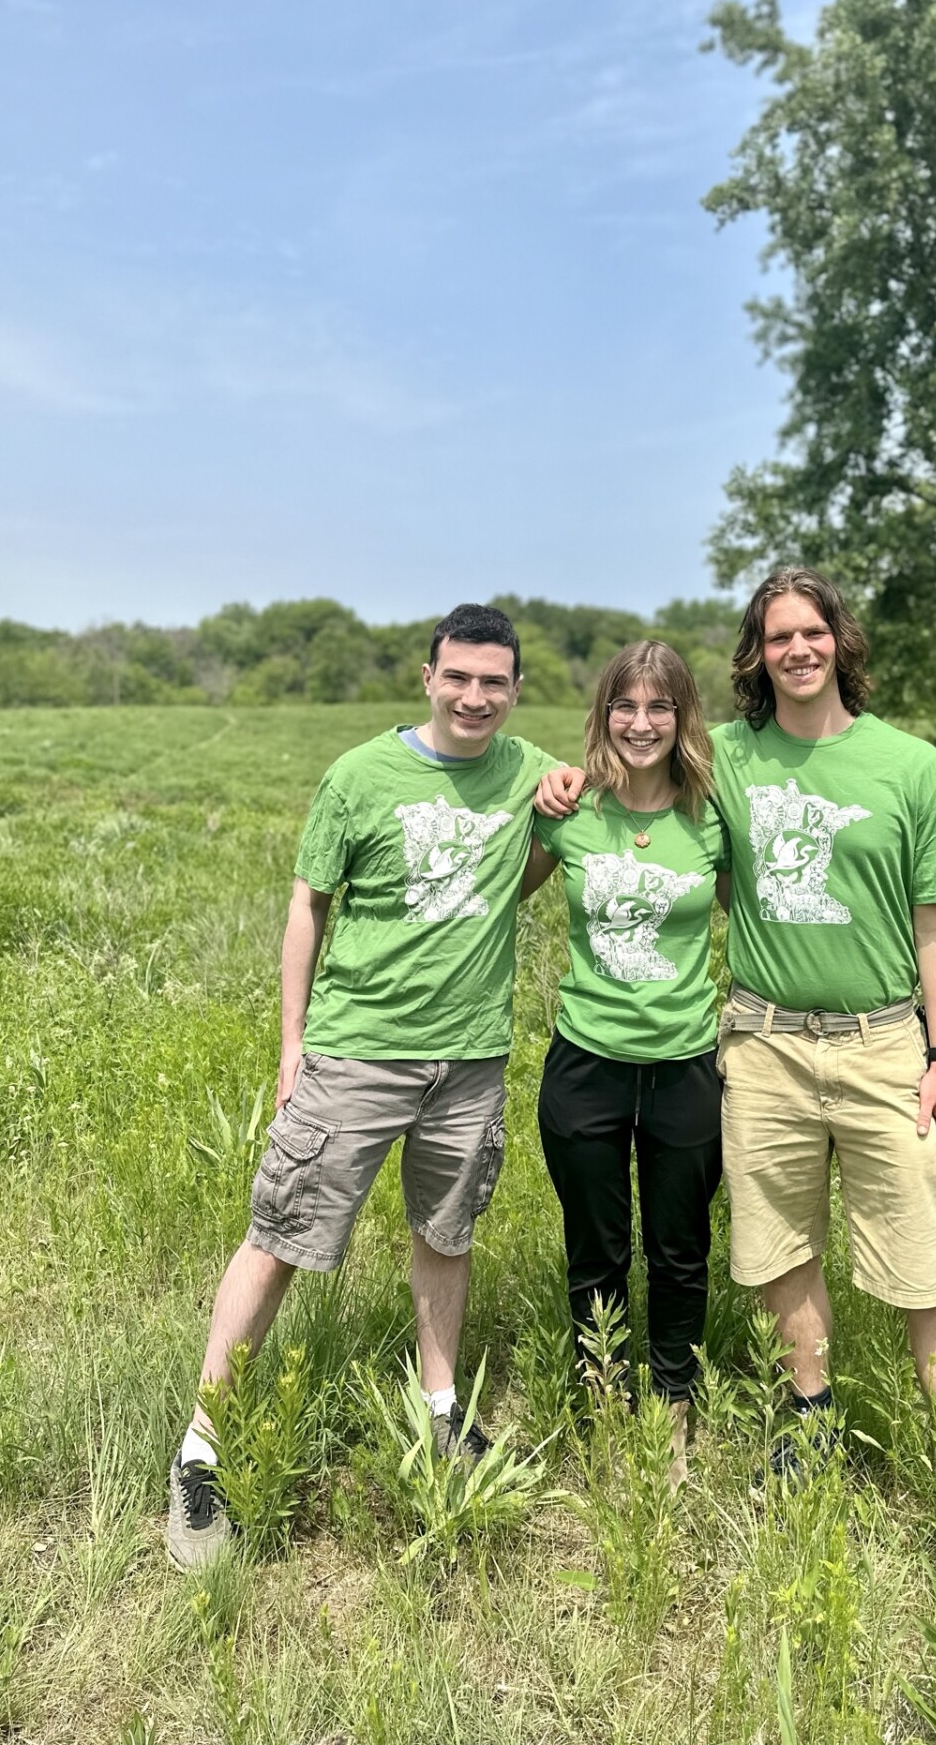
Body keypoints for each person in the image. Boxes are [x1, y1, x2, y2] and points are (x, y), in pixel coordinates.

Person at [536, 569, 936, 1465]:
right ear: (757, 653)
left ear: (840, 641)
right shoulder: (724, 760)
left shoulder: (912, 766)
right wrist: (563, 778)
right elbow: (638, 759)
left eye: (812, 632)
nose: (798, 650)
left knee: (926, 1265)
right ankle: (809, 1419)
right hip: (764, 1041)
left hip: (882, 1044)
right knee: (781, 1247)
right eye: (779, 636)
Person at [167, 603, 562, 1570]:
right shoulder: (358, 775)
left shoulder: (531, 772)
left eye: (494, 682)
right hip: (357, 1053)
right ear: (428, 678)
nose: (475, 697)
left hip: (469, 1058)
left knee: (446, 1233)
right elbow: (308, 905)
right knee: (281, 1236)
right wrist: (293, 1043)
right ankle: (201, 1448)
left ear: (516, 689)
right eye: (458, 677)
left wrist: (553, 825)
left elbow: (528, 869)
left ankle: (441, 1408)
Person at [522, 641, 727, 1491]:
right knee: (596, 1250)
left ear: (682, 717)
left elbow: (761, 915)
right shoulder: (569, 811)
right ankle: (605, 1401)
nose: (641, 724)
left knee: (680, 1251)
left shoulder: (712, 816)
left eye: (659, 707)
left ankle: (673, 1407)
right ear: (604, 714)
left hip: (685, 1065)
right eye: (625, 706)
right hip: (586, 1064)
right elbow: (499, 892)